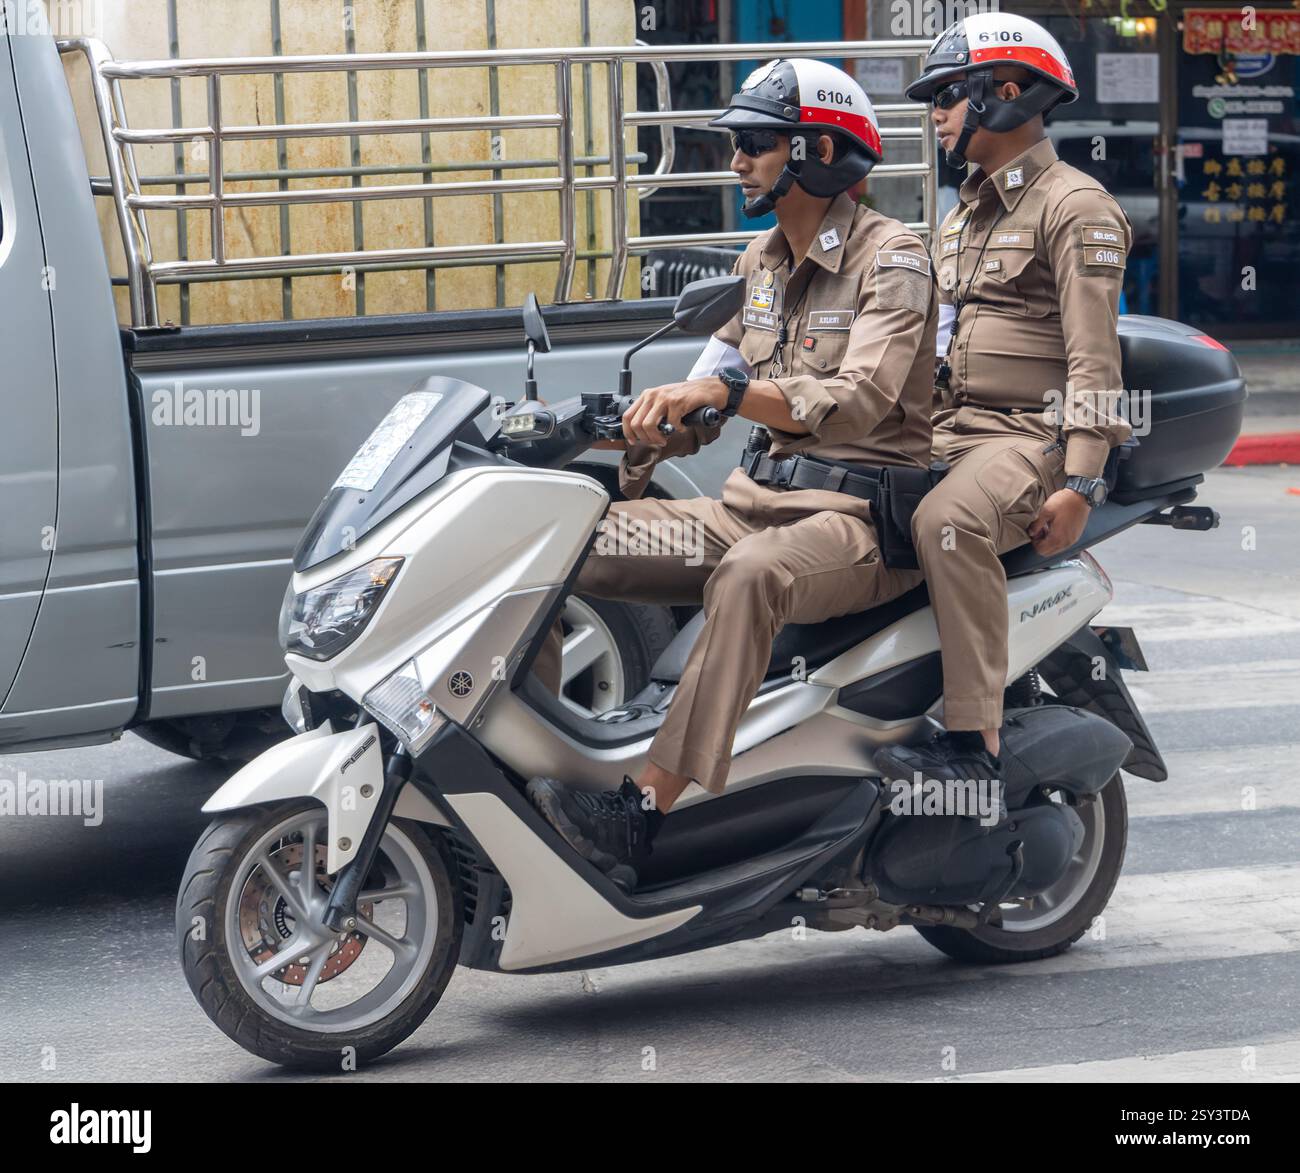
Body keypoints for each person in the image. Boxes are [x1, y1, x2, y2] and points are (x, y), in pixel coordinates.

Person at [527, 58, 938, 889]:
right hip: (754, 502)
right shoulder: (761, 261)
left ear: (817, 151)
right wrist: (628, 432)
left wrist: (726, 390)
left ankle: (642, 813)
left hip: (855, 522)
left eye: (754, 143)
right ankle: (532, 765)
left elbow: (857, 399)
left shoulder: (894, 261)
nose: (736, 160)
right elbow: (714, 401)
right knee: (551, 541)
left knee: (752, 575)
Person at [873, 12, 1133, 787]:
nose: (936, 113)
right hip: (951, 427)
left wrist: (1081, 479)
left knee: (945, 521)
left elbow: (1095, 358)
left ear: (1007, 94)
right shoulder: (959, 217)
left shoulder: (1074, 206)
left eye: (949, 94)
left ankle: (973, 743)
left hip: (1029, 436)